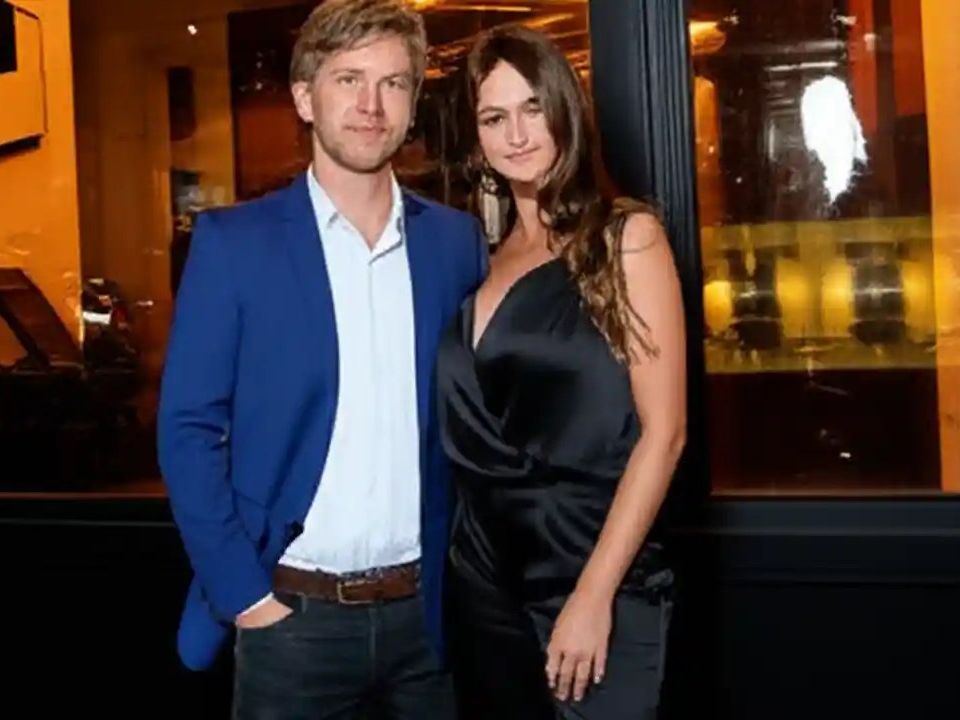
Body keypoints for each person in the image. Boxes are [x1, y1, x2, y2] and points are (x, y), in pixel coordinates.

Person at [157, 1, 486, 717]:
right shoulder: (234, 244)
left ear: (412, 104)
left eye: (394, 84)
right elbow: (186, 429)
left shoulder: (457, 245)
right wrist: (245, 597)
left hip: (428, 622)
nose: (371, 105)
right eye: (348, 80)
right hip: (291, 620)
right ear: (306, 98)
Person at [436, 24, 686, 720]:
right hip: (483, 585)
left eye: (532, 107)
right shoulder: (476, 255)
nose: (516, 134)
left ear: (565, 111)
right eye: (494, 117)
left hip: (590, 575)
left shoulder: (625, 238)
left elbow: (664, 435)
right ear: (477, 135)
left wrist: (593, 595)